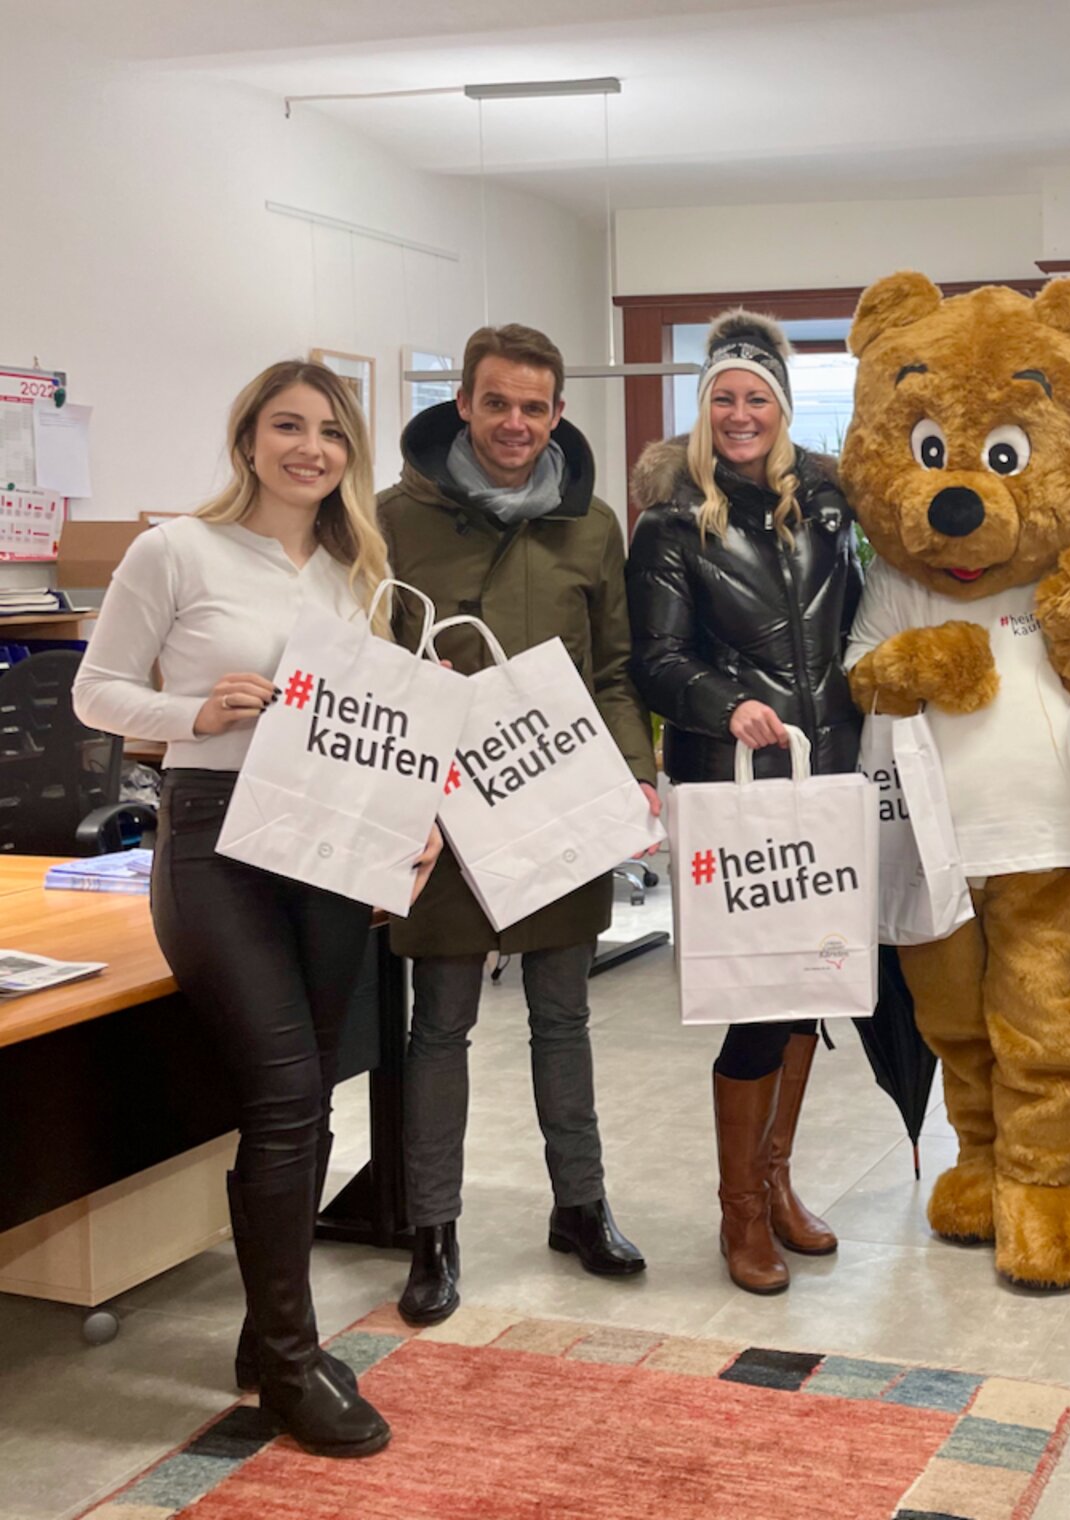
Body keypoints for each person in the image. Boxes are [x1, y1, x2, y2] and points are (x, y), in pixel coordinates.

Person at [74, 361, 437, 1457]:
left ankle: (265, 1329)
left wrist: (410, 816)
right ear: (248, 438)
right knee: (282, 1091)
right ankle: (288, 1362)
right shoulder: (175, 549)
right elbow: (95, 689)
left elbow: (382, 722)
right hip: (213, 835)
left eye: (330, 431)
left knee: (308, 1095)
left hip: (325, 840)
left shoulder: (354, 567)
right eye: (287, 425)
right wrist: (194, 707)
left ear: (350, 454)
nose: (309, 448)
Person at [378, 323, 659, 1327]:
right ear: (463, 402)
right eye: (496, 402)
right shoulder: (392, 520)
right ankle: (432, 1230)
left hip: (555, 796)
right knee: (441, 1023)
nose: (514, 423)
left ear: (556, 414)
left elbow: (617, 668)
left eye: (534, 407)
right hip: (446, 810)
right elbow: (370, 657)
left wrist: (635, 775)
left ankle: (579, 1206)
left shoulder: (590, 527)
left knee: (562, 1013)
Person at [626, 310, 863, 1296]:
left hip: (826, 778)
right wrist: (732, 706)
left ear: (782, 407)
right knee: (754, 1003)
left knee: (813, 986)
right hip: (733, 785)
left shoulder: (826, 509)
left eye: (754, 397)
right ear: (703, 408)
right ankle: (737, 1213)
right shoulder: (673, 525)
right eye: (722, 397)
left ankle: (775, 1182)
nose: (738, 413)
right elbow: (656, 661)